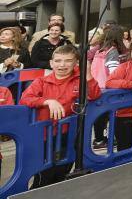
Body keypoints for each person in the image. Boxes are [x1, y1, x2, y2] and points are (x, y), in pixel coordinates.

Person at [20, 45, 102, 187]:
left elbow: (94, 95)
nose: (62, 65)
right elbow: (25, 99)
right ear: (51, 63)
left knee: (62, 171)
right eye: (58, 61)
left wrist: (87, 74)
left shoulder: (79, 80)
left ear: (76, 63)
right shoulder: (41, 82)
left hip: (68, 135)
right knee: (43, 175)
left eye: (68, 61)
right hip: (45, 136)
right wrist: (46, 101)